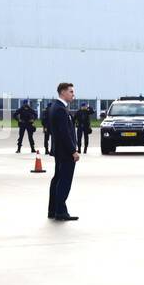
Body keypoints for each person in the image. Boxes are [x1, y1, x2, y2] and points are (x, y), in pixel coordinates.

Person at [46, 83, 80, 222]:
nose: (73, 94)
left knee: (57, 180)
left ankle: (53, 210)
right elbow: (64, 133)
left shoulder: (56, 107)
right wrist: (73, 151)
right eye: (71, 91)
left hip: (60, 151)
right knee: (64, 181)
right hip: (65, 152)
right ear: (62, 92)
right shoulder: (60, 109)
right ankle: (60, 211)